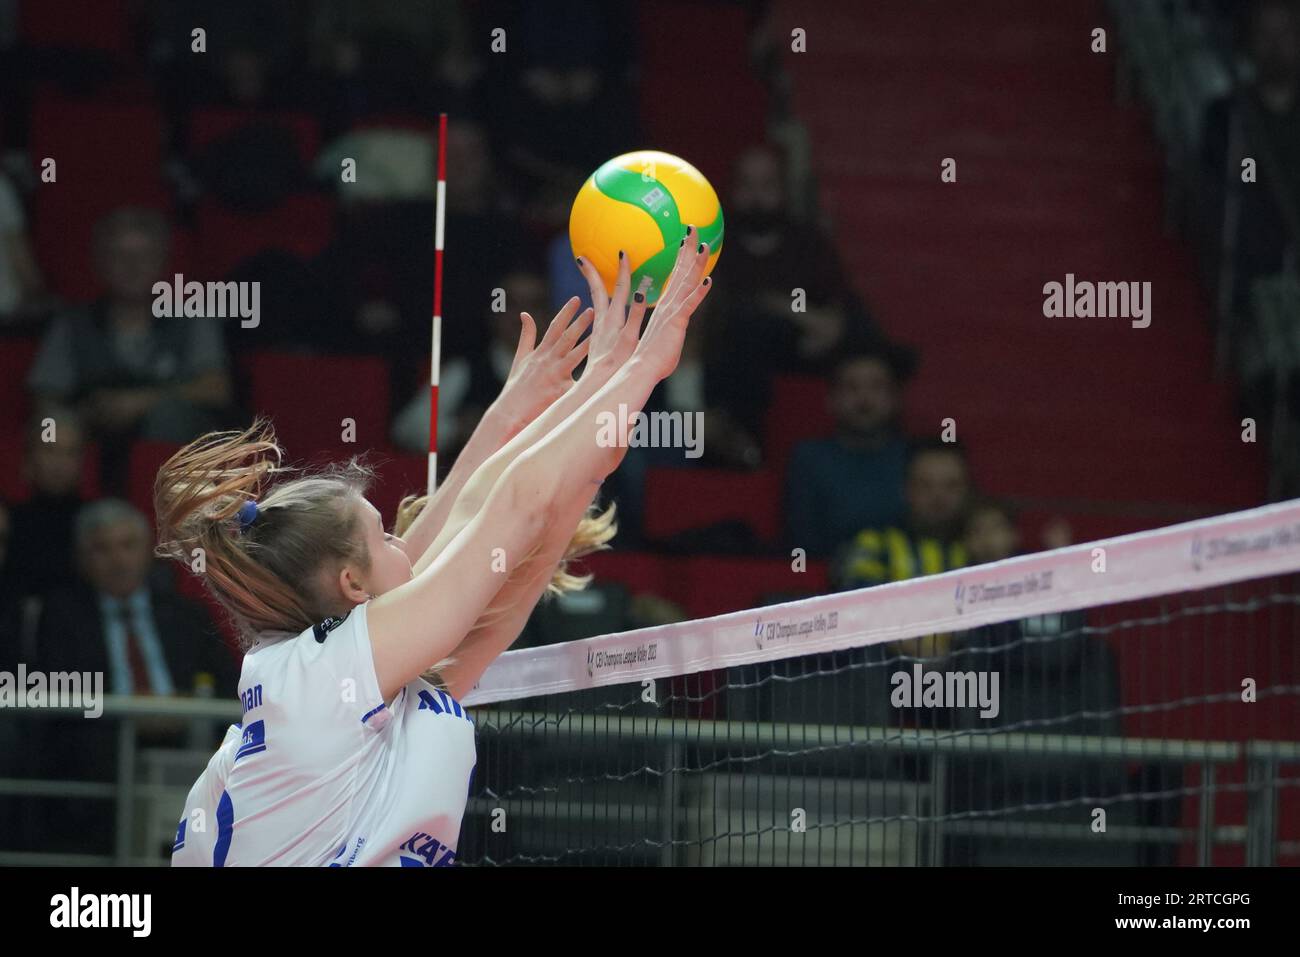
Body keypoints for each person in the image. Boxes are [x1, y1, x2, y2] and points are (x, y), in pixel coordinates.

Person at [166, 236, 714, 866]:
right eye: (385, 535)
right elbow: (511, 508)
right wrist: (643, 366)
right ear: (351, 584)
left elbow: (504, 529)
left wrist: (579, 405)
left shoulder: (355, 675)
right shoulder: (332, 676)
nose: (408, 536)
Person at [25, 207, 236, 494]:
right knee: (53, 431)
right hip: (93, 437)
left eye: (144, 256)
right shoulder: (72, 322)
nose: (132, 265)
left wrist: (139, 402)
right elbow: (45, 399)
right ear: (99, 263)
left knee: (169, 414)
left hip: (174, 449)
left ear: (162, 262)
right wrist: (83, 414)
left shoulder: (192, 318)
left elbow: (216, 389)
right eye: (119, 256)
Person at [837, 439, 973, 659]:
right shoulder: (876, 544)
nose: (938, 497)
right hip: (885, 679)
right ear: (906, 489)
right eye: (925, 485)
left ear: (967, 490)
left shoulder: (979, 549)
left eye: (951, 486)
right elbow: (855, 605)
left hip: (974, 682)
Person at [784, 342, 917, 559]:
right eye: (851, 388)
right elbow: (802, 539)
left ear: (896, 399)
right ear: (831, 399)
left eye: (876, 387)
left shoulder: (915, 457)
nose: (864, 400)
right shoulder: (809, 459)